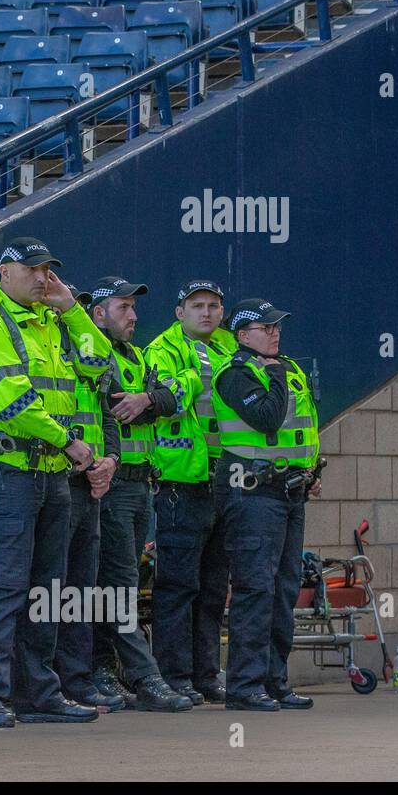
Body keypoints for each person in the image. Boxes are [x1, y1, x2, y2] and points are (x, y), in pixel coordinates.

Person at [0, 237, 111, 728]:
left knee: (46, 589)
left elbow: (100, 366)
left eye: (48, 270)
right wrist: (69, 443)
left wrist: (74, 311)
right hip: (9, 470)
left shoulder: (52, 320)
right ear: (4, 271)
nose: (43, 278)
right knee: (4, 585)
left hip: (52, 472)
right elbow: (10, 399)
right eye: (33, 270)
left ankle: (38, 694)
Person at [87, 277, 194, 712]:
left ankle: (106, 669)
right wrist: (149, 404)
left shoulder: (137, 355)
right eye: (123, 307)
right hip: (109, 483)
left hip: (139, 483)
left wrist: (148, 398)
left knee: (115, 582)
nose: (133, 317)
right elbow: (117, 408)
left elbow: (174, 398)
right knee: (117, 584)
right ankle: (141, 676)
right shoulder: (94, 353)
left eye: (133, 307)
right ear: (98, 314)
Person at [212, 300, 321, 712]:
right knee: (255, 588)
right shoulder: (236, 372)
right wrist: (275, 378)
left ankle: (275, 682)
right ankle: (244, 686)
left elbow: (303, 424)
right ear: (242, 335)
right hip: (252, 491)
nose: (275, 332)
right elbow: (268, 419)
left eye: (277, 326)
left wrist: (311, 466)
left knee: (283, 589)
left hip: (290, 490)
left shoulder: (286, 367)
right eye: (265, 327)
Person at [143, 279, 237, 706]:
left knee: (214, 586)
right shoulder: (162, 349)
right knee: (178, 585)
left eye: (213, 306)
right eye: (196, 305)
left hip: (224, 479)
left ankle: (205, 674)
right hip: (182, 480)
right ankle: (174, 675)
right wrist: (198, 373)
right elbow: (168, 400)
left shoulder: (230, 347)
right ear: (179, 312)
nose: (206, 313)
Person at [52, 284, 124, 713]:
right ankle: (52, 682)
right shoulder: (44, 351)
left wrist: (110, 461)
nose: (71, 314)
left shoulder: (91, 357)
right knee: (51, 588)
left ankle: (77, 680)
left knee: (82, 589)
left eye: (76, 307)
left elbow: (107, 415)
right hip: (58, 477)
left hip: (91, 483)